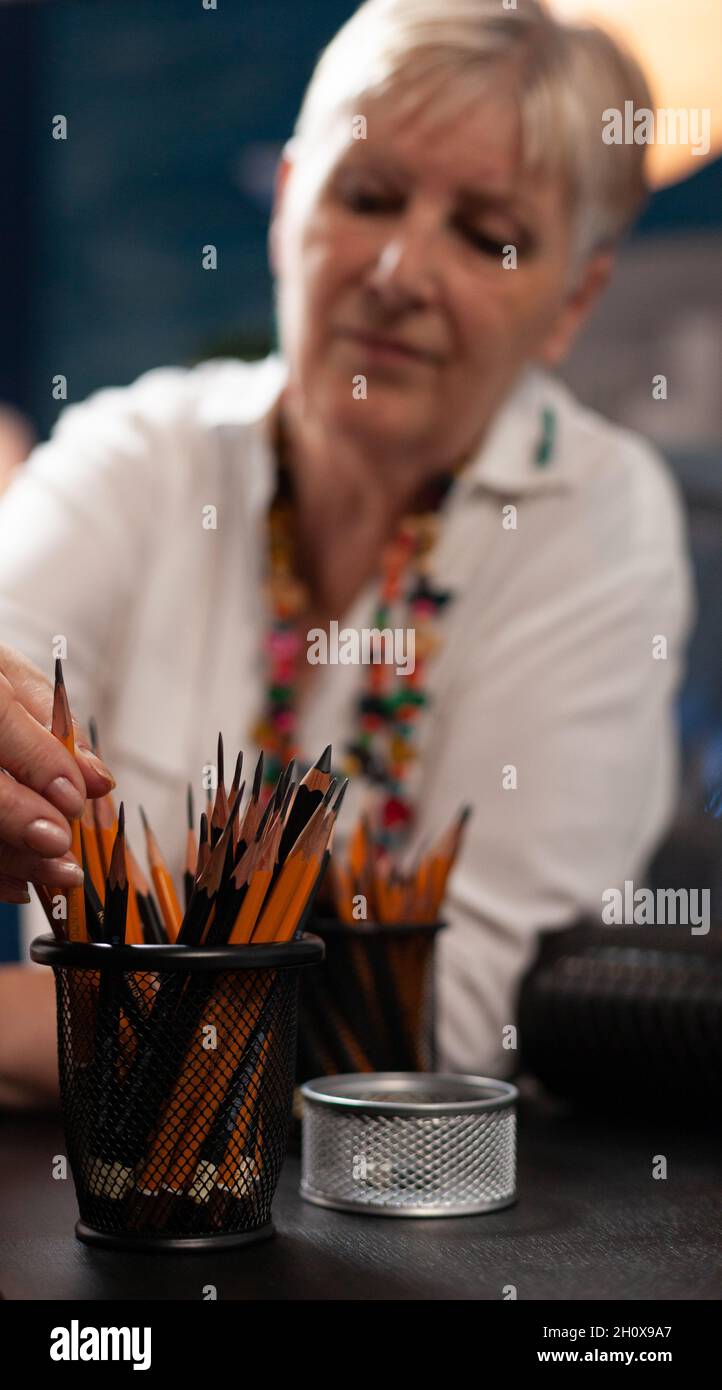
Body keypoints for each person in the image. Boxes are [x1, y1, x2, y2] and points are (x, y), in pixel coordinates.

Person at [0, 0, 693, 1103]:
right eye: (366, 197)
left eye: (488, 237)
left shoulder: (594, 513)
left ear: (573, 300)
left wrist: (22, 1022)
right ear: (284, 205)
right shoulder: (136, 453)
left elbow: (446, 1021)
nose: (400, 269)